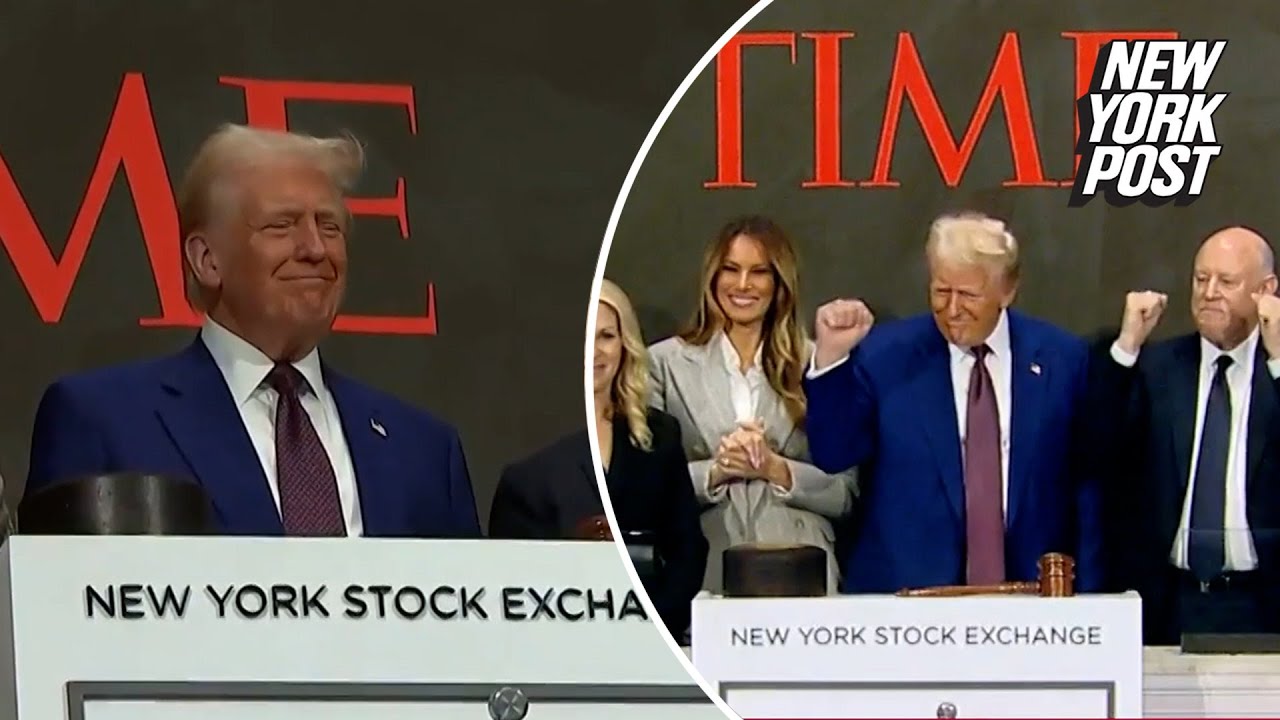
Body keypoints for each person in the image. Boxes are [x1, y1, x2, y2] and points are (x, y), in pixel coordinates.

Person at [25, 124, 480, 538]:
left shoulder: (424, 451)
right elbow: (60, 608)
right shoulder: (105, 421)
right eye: (282, 225)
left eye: (330, 226)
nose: (315, 248)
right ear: (207, 260)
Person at [803, 211, 1101, 593]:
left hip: (1029, 602)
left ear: (1007, 290)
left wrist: (1090, 595)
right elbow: (833, 452)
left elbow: (1086, 489)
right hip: (908, 604)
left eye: (969, 295)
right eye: (941, 291)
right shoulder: (887, 356)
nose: (953, 309)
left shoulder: (1062, 359)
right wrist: (830, 360)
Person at [648, 216, 855, 594]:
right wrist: (718, 470)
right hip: (703, 569)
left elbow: (846, 493)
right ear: (712, 277)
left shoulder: (817, 363)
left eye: (759, 272)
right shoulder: (663, 364)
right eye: (731, 269)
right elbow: (647, 489)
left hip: (802, 573)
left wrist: (777, 469)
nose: (743, 285)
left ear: (779, 284)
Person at [490, 279, 706, 638]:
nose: (596, 351)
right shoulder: (526, 451)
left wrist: (651, 625)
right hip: (557, 641)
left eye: (606, 336)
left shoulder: (659, 435)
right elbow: (511, 575)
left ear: (625, 344)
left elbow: (687, 547)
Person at [1094, 226, 1280, 644]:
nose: (1209, 292)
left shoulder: (1276, 372)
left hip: (1264, 605)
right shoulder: (1159, 368)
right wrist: (1126, 347)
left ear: (1266, 290)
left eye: (1226, 281)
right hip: (1169, 606)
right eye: (1200, 279)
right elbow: (1097, 451)